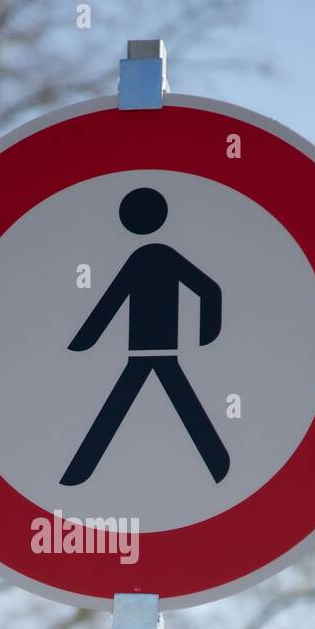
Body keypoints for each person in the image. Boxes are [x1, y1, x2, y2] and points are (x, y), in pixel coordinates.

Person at [61, 187, 230, 486]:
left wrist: (208, 334)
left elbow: (111, 302)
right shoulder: (152, 256)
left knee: (126, 407)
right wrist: (84, 340)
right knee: (160, 404)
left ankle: (78, 471)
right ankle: (219, 466)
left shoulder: (152, 257)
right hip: (147, 350)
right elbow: (113, 301)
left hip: (153, 349)